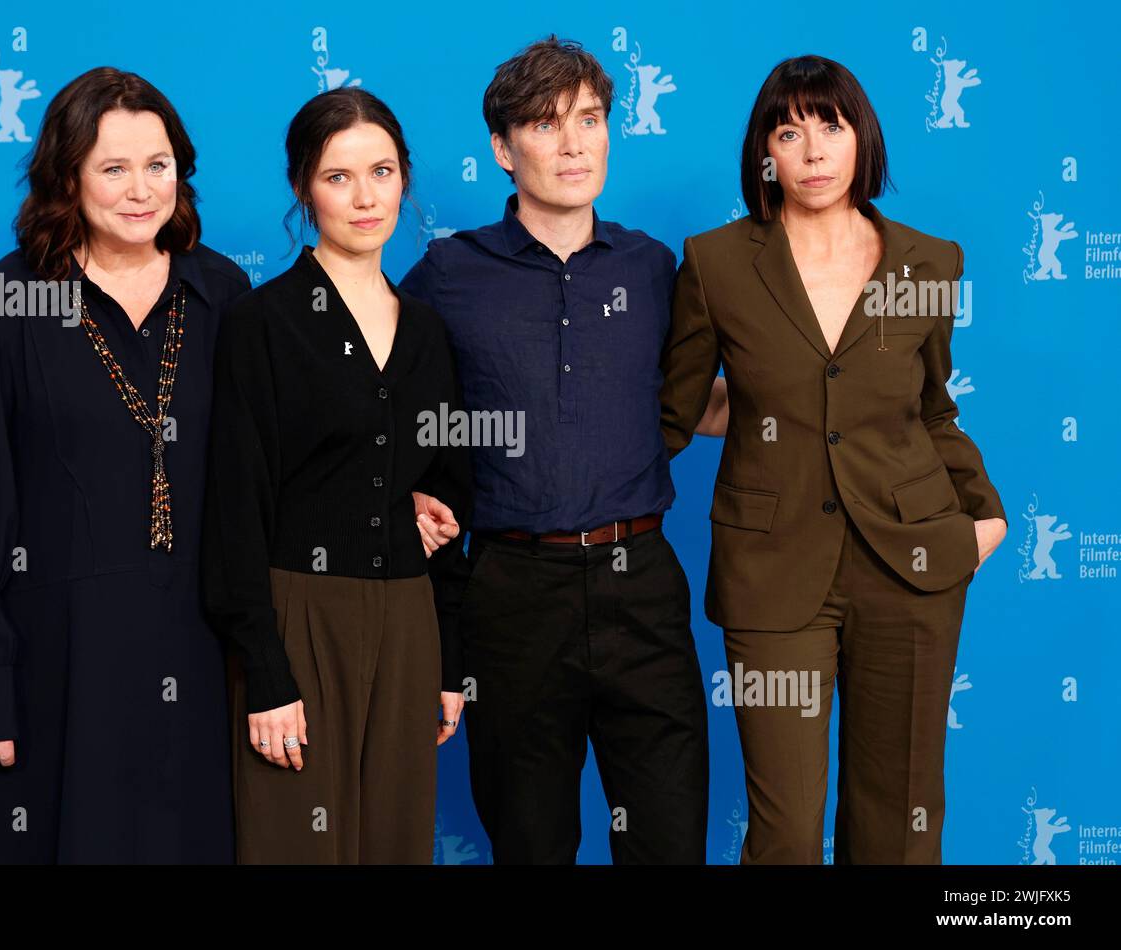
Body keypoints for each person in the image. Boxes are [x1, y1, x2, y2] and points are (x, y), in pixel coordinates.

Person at [659, 54, 1007, 864]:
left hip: (914, 561)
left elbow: (930, 409)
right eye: (789, 131)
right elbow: (673, 410)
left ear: (862, 140)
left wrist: (984, 518)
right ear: (764, 155)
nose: (812, 150)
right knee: (783, 832)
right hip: (772, 571)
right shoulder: (715, 262)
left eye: (830, 126)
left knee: (900, 819)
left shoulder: (929, 261)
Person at [402, 35, 726, 864]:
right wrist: (391, 493)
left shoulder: (655, 267)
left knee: (668, 842)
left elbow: (700, 404)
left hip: (642, 584)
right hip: (512, 595)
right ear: (503, 150)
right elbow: (377, 403)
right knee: (530, 842)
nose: (574, 142)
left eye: (589, 118)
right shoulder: (447, 272)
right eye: (546, 125)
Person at [0, 67, 251, 862]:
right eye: (113, 168)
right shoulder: (4, 304)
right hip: (54, 663)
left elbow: (265, 470)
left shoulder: (223, 293)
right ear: (66, 176)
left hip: (197, 658)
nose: (141, 190)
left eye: (158, 164)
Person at [200, 87, 472, 864]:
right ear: (302, 188)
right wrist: (266, 673)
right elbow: (236, 507)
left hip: (409, 619)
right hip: (298, 616)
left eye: (382, 172)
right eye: (338, 176)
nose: (365, 197)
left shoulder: (427, 329)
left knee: (395, 845)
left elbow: (452, 488)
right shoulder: (262, 322)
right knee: (294, 844)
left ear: (405, 179)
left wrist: (450, 661)